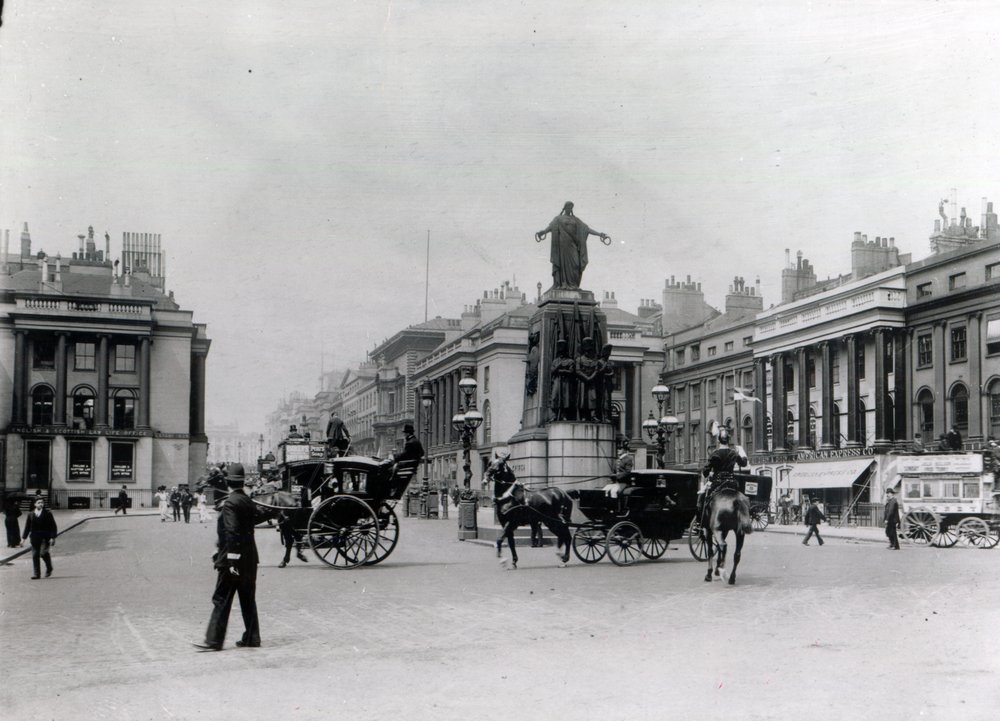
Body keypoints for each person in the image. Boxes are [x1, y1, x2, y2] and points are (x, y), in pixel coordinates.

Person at [194, 464, 260, 652]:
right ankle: (252, 637)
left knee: (221, 598)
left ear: (228, 482)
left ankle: (214, 640)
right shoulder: (247, 501)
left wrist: (231, 560)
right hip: (250, 559)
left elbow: (232, 532)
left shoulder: (230, 503)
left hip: (233, 560)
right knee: (248, 599)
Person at [535, 201, 609, 289]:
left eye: (571, 207)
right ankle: (564, 283)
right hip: (563, 245)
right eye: (568, 207)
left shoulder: (576, 220)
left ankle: (573, 285)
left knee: (576, 264)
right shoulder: (558, 219)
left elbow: (587, 229)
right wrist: (543, 232)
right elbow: (551, 227)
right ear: (565, 208)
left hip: (573, 244)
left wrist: (600, 234)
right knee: (563, 264)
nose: (570, 209)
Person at [697, 428, 748, 520]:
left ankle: (701, 522)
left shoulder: (714, 454)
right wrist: (742, 452)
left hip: (718, 483)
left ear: (718, 440)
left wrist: (710, 473)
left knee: (702, 497)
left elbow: (705, 472)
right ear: (728, 440)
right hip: (732, 484)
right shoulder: (734, 453)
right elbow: (744, 463)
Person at [22, 497, 57, 579]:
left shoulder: (48, 513)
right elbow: (27, 527)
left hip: (45, 537)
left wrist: (53, 537)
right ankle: (36, 574)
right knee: (35, 555)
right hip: (34, 538)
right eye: (39, 502)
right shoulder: (30, 514)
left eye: (42, 502)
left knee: (43, 553)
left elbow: (53, 526)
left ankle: (49, 568)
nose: (41, 504)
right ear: (35, 504)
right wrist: (23, 538)